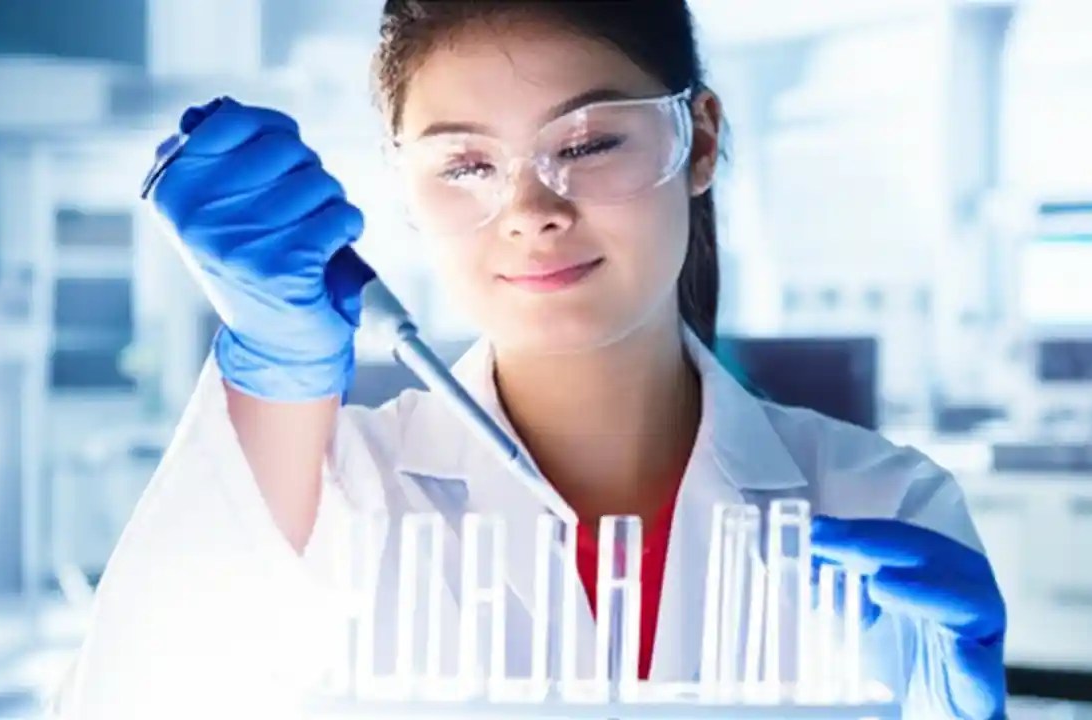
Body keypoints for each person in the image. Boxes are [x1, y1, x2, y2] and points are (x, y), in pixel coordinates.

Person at [59, 1, 1006, 718]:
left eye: (588, 143)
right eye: (466, 165)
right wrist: (270, 371)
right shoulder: (332, 493)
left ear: (701, 139)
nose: (529, 210)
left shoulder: (883, 510)